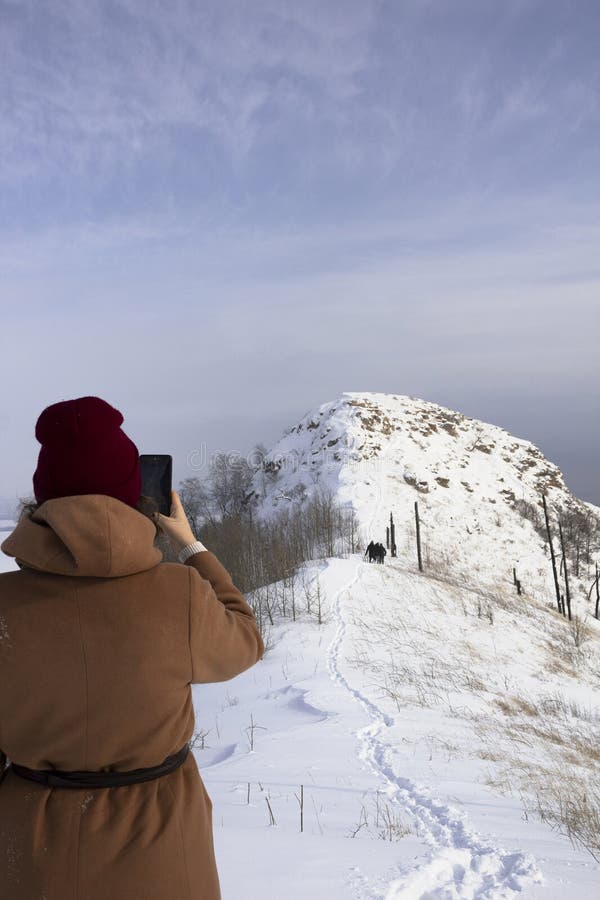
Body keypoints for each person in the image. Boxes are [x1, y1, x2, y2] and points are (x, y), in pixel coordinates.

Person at [0, 396, 264, 900]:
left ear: (41, 501)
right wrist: (192, 547)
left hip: (31, 856)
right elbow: (245, 641)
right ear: (136, 495)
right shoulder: (178, 595)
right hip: (163, 850)